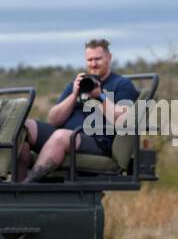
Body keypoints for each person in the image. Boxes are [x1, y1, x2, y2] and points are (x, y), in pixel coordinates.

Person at [20, 38, 140, 183]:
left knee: (61, 137)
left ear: (109, 58)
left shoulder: (122, 84)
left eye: (98, 59)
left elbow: (122, 121)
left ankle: (29, 184)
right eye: (89, 60)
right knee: (25, 126)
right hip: (68, 135)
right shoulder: (78, 84)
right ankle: (16, 182)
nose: (93, 64)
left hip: (98, 141)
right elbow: (53, 119)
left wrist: (99, 97)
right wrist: (74, 94)